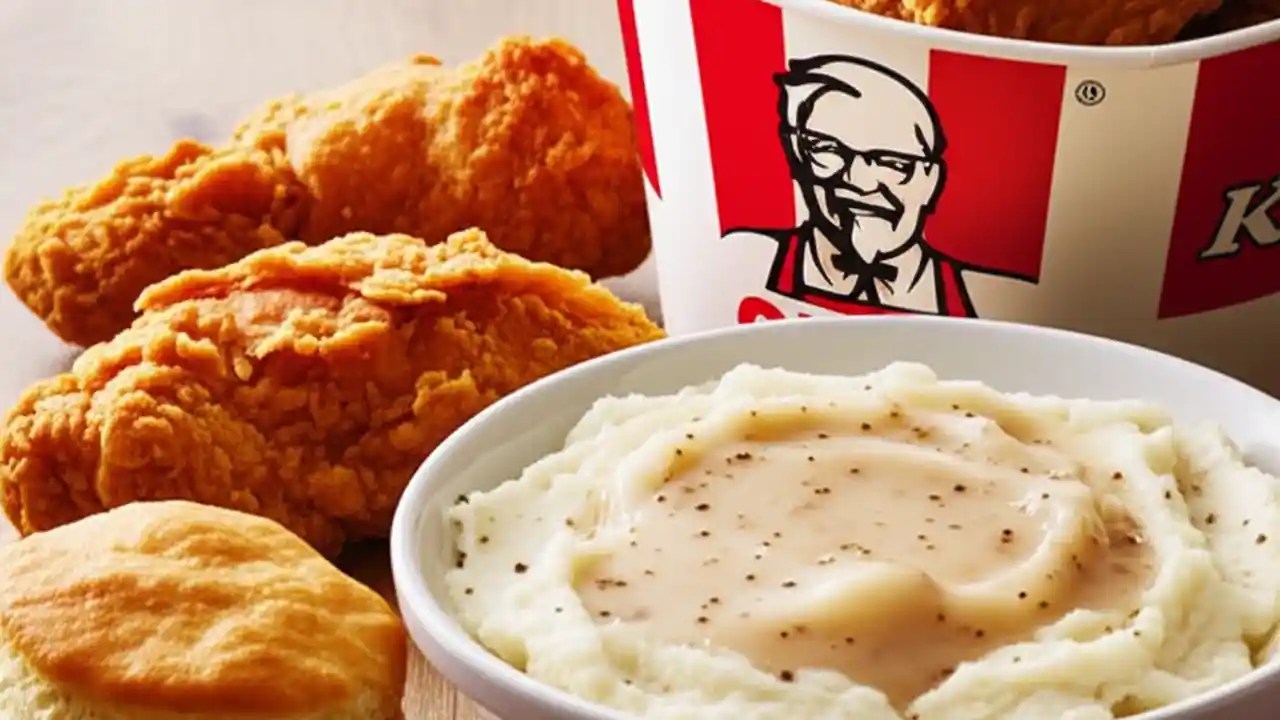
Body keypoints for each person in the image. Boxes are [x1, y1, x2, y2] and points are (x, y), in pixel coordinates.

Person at [727, 55, 978, 317]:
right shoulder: (749, 260)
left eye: (894, 163)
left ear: (931, 180)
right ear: (796, 155)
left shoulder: (976, 294)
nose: (860, 182)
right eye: (828, 149)